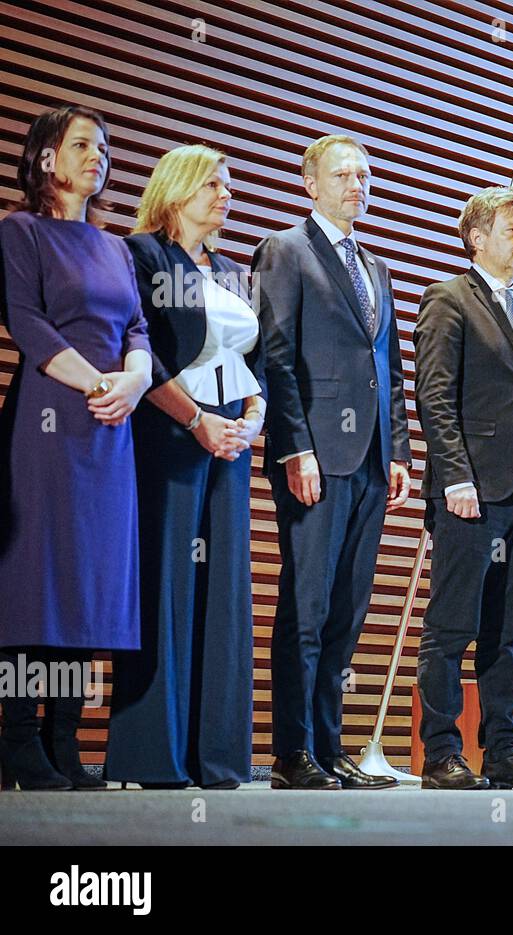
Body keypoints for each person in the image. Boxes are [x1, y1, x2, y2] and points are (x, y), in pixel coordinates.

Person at [0, 105, 152, 790]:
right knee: (39, 578)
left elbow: (140, 329)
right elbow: (25, 322)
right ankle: (19, 736)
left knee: (90, 582)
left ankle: (65, 739)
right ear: (46, 159)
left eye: (105, 147)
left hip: (111, 427)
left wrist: (136, 379)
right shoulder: (21, 231)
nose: (98, 155)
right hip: (51, 418)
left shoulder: (115, 246)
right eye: (83, 145)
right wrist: (99, 383)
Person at [252, 134, 410, 790]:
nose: (357, 183)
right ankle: (293, 751)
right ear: (310, 184)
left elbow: (390, 372)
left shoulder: (376, 267)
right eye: (343, 174)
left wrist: (398, 448)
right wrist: (295, 446)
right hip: (315, 456)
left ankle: (329, 743)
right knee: (307, 607)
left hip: (369, 461)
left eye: (365, 174)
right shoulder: (285, 250)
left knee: (347, 609)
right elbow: (277, 353)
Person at [104, 145, 264, 790]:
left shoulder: (231, 268)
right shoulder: (141, 253)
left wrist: (250, 419)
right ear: (175, 191)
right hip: (171, 434)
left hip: (229, 438)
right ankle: (155, 756)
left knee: (223, 593)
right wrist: (197, 421)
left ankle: (216, 757)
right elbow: (137, 348)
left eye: (228, 186)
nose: (224, 195)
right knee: (168, 586)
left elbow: (253, 358)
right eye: (212, 185)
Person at [413, 186, 513, 791]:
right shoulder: (448, 300)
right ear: (478, 238)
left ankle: (503, 751)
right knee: (452, 627)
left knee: (508, 632)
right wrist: (453, 475)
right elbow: (435, 397)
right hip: (470, 494)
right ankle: (441, 754)